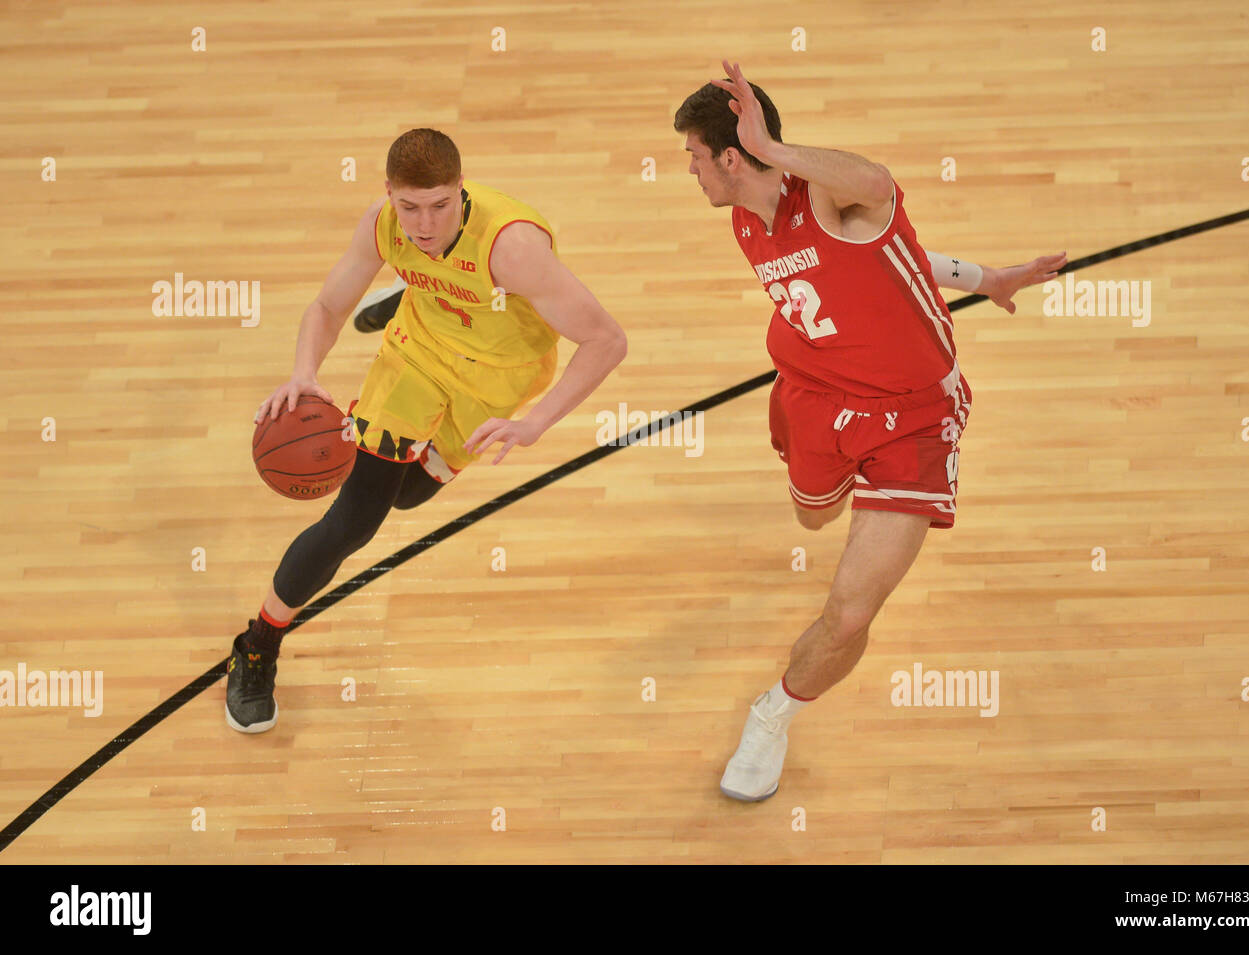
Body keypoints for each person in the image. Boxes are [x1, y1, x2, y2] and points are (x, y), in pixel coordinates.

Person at [674, 60, 1066, 800]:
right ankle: (831, 487)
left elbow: (881, 187)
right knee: (812, 517)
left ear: (732, 157)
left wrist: (778, 150)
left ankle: (773, 714)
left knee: (850, 610)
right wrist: (985, 278)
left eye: (694, 157)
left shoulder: (826, 197)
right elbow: (899, 260)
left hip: (912, 420)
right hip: (813, 395)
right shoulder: (741, 218)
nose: (689, 171)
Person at [227, 128, 627, 733]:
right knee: (355, 520)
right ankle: (258, 643)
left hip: (495, 378)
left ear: (461, 190)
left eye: (440, 206)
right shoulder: (383, 223)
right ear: (389, 193)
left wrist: (536, 423)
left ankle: (422, 284)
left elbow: (606, 340)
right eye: (409, 208)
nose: (424, 223)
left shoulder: (512, 249)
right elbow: (328, 307)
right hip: (417, 355)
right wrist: (303, 375)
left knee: (409, 498)